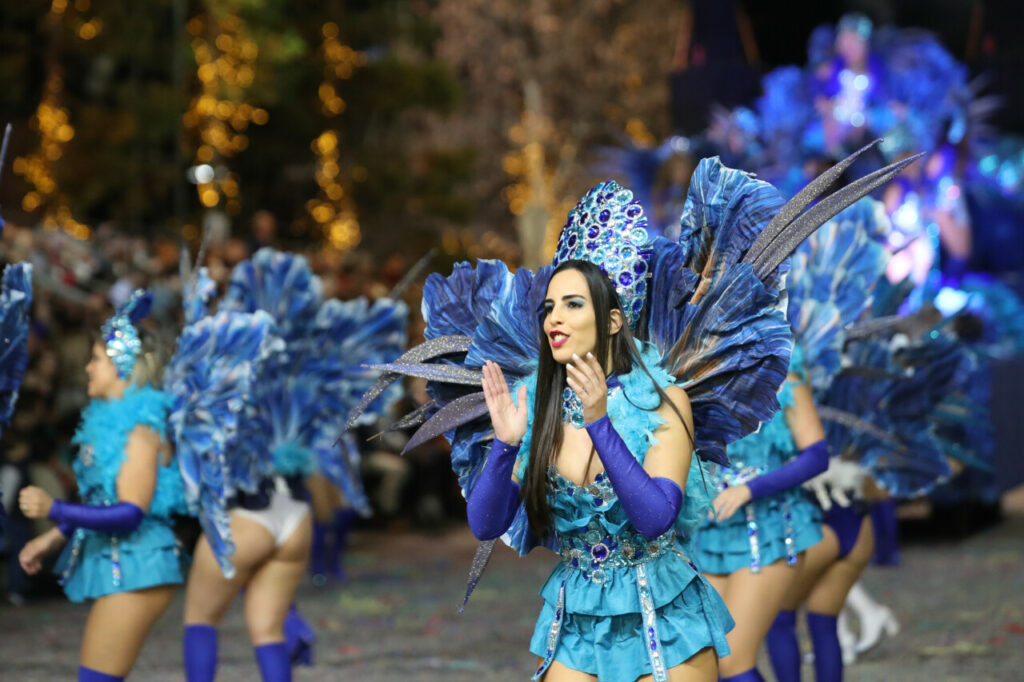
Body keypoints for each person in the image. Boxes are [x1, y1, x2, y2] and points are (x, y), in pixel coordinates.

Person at [19, 290, 187, 682]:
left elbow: (130, 513)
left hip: (138, 565)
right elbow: (103, 500)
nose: (88, 369)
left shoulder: (140, 431)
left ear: (121, 367)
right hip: (122, 564)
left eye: (96, 360)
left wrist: (54, 510)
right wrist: (54, 537)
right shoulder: (112, 424)